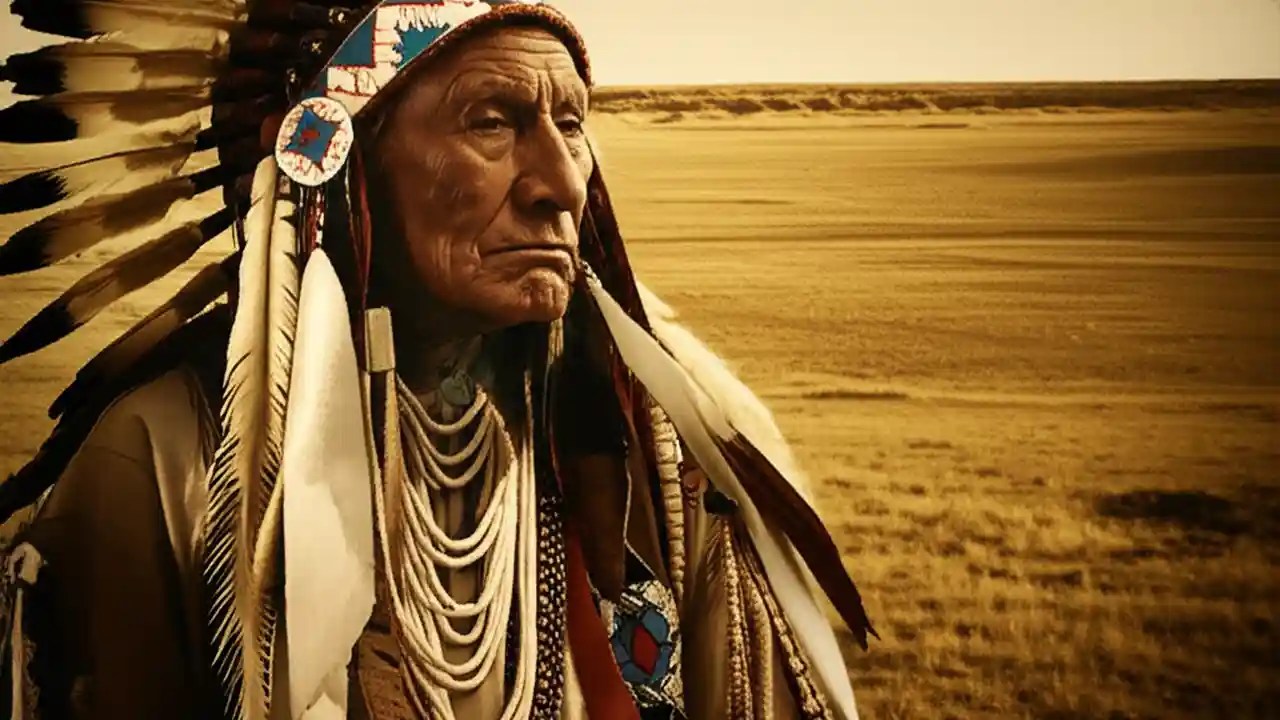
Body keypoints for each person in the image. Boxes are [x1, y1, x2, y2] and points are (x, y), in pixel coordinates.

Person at [0, 1, 876, 718]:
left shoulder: (661, 454)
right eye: (491, 122)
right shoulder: (167, 466)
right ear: (342, 167)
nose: (562, 183)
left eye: (573, 124)